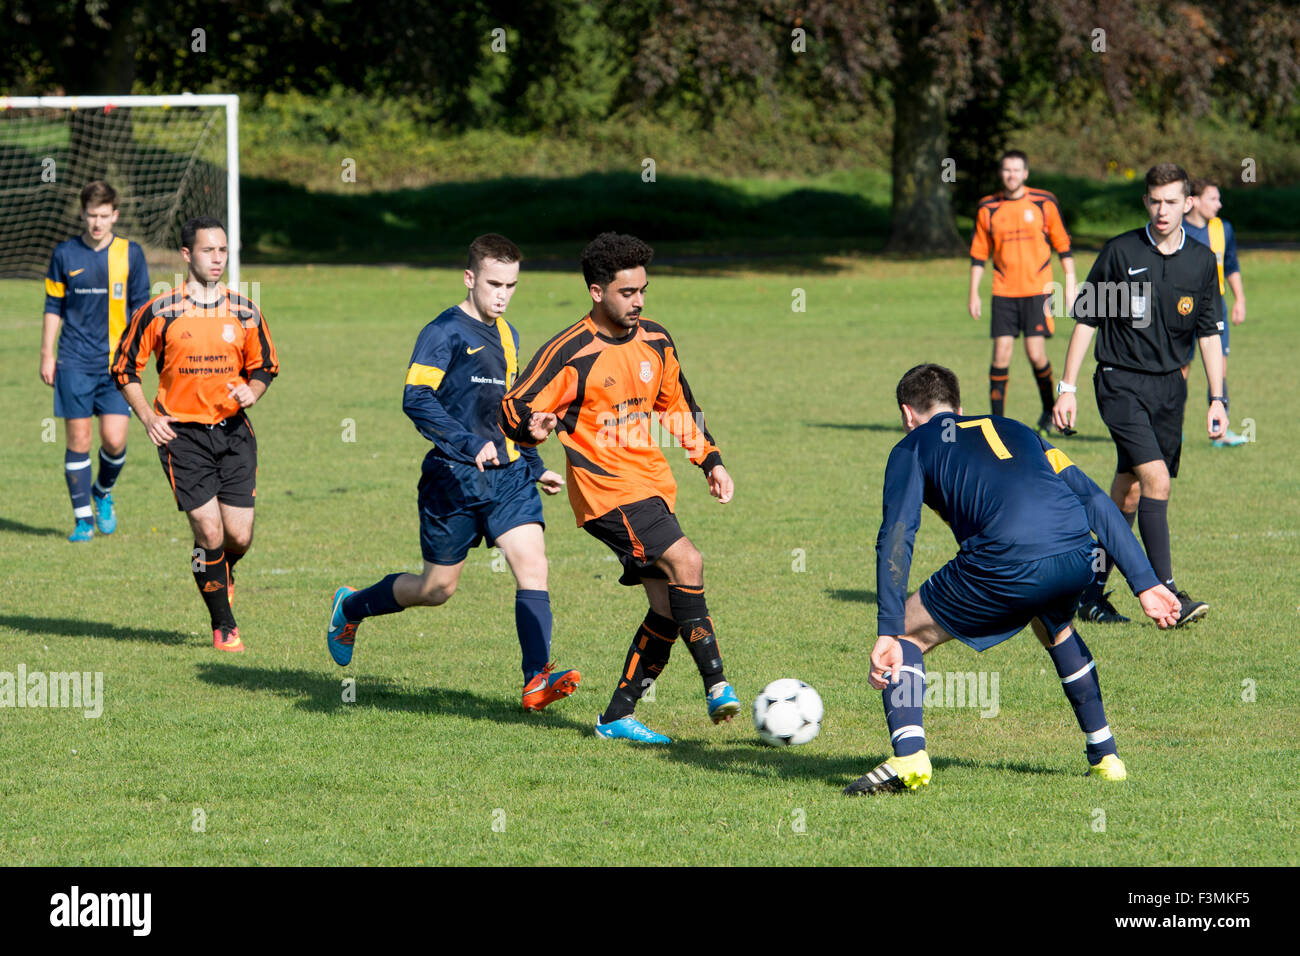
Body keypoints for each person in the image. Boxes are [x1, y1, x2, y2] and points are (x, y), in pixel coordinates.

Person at [844, 364, 1181, 796]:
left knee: (908, 633)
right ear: (959, 408)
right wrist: (1146, 582)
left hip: (1008, 558)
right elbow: (1095, 498)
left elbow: (897, 535)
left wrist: (889, 626)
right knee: (1055, 625)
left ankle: (909, 757)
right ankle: (1106, 755)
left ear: (909, 415)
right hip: (1076, 552)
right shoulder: (1016, 428)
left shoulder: (911, 446)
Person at [499, 231, 740, 744]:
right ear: (596, 291)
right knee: (688, 563)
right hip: (607, 492)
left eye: (643, 291)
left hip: (652, 486)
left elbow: (677, 407)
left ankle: (616, 717)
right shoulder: (571, 351)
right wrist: (532, 428)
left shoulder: (655, 339)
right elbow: (514, 407)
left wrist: (710, 461)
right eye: (627, 293)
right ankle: (717, 683)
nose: (638, 302)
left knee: (668, 607)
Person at [326, 234, 579, 712]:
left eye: (511, 285)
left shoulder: (509, 335)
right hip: (452, 477)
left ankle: (536, 679)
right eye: (493, 283)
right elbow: (415, 399)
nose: (502, 294)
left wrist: (534, 461)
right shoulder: (442, 332)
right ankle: (351, 606)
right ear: (470, 278)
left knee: (533, 565)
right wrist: (468, 443)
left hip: (507, 476)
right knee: (436, 589)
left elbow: (507, 410)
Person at [1053, 163, 1227, 627]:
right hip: (1119, 381)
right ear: (1145, 202)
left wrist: (1218, 398)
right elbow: (1087, 320)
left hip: (1171, 389)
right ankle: (1167, 594)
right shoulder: (1121, 252)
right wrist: (1066, 389)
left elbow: (1209, 333)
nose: (1162, 210)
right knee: (1157, 482)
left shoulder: (1201, 260)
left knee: (1127, 493)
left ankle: (1088, 594)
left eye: (1172, 201)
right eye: (1154, 201)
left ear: (1189, 204)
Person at [112, 217, 279, 653]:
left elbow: (266, 366)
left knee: (238, 537)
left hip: (234, 434)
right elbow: (125, 367)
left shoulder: (244, 310)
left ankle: (217, 572)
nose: (217, 259)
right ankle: (224, 624)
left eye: (223, 251)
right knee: (209, 532)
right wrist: (148, 416)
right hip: (181, 437)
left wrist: (253, 390)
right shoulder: (160, 311)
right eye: (208, 251)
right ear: (187, 255)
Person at [41, 181, 151, 541]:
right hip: (73, 360)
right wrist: (47, 353)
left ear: (115, 215)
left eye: (104, 216)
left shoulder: (131, 254)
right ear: (83, 214)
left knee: (115, 440)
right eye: (91, 215)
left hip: (117, 366)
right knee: (79, 439)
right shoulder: (64, 254)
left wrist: (139, 355)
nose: (97, 223)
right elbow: (53, 306)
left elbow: (141, 310)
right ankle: (83, 520)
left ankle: (102, 492)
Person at [968, 150, 1076, 435]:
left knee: (1035, 354)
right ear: (1000, 173)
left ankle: (1049, 411)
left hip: (1038, 290)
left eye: (1017, 170)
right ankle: (996, 424)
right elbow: (979, 253)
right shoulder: (988, 208)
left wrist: (1070, 283)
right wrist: (973, 293)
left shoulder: (1044, 202)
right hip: (1003, 291)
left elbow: (1062, 243)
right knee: (1001, 354)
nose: (1011, 175)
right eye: (1006, 170)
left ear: (1026, 173)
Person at [1182, 178, 1247, 447]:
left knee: (1219, 366)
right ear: (1194, 201)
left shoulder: (1223, 229)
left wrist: (1239, 299)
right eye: (1213, 199)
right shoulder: (1177, 229)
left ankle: (1220, 428)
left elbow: (1231, 264)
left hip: (1214, 303)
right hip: (1182, 305)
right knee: (1180, 368)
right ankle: (1170, 427)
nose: (1219, 204)